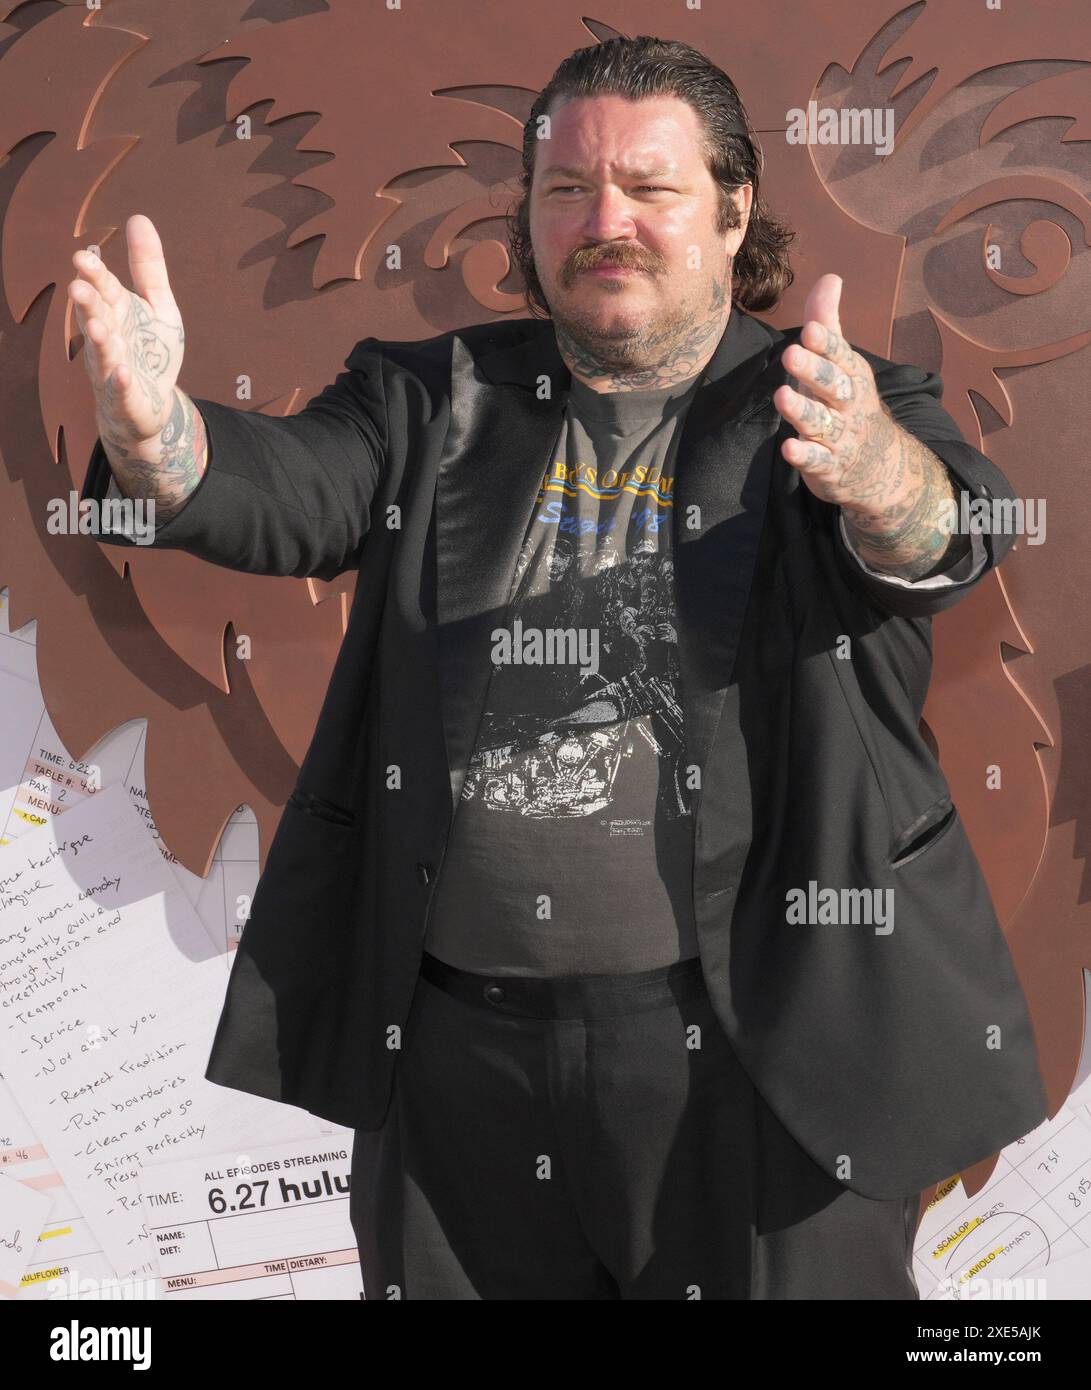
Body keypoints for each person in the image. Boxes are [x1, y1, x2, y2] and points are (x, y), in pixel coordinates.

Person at [68, 36, 1048, 1299]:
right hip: (454, 1068)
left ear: (731, 208)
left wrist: (873, 476)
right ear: (526, 215)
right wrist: (165, 444)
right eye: (566, 190)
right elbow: (287, 492)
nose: (606, 223)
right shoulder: (429, 398)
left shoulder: (826, 403)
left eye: (649, 189)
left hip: (757, 1057)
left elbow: (945, 526)